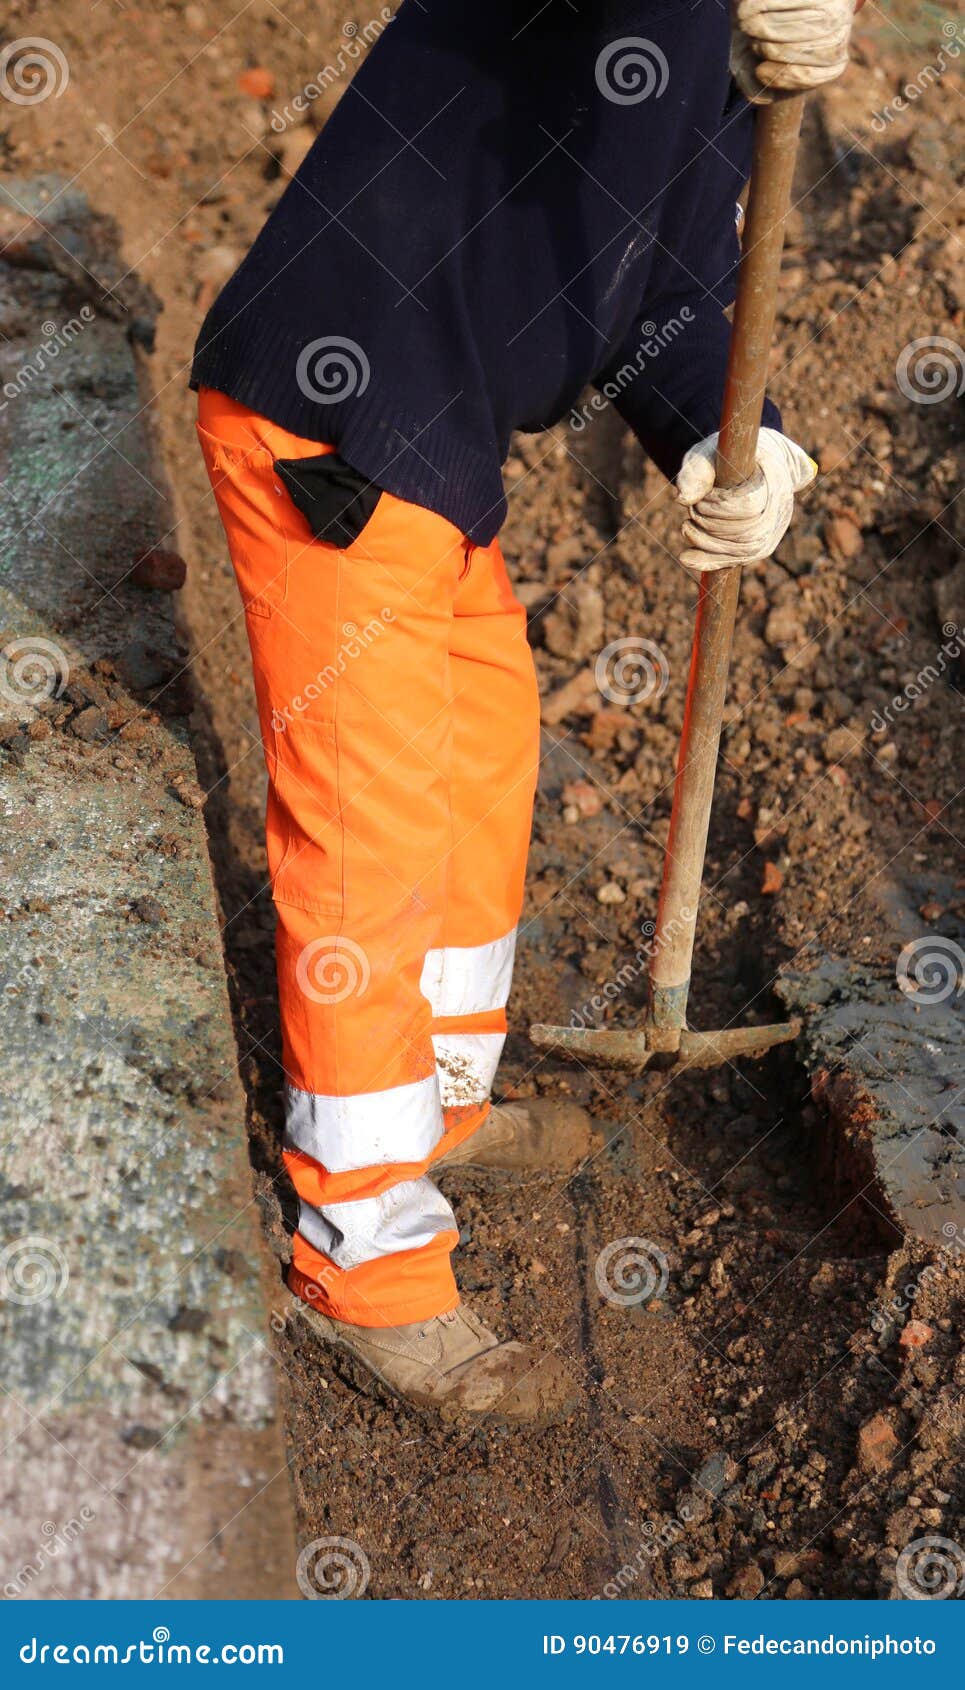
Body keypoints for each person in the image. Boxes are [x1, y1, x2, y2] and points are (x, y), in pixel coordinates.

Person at [192, 0, 856, 1425]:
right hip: (336, 407)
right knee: (367, 834)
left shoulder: (717, 75)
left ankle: (436, 1094)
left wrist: (745, 453)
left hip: (432, 440)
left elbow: (672, 294)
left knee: (482, 757)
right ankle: (361, 1254)